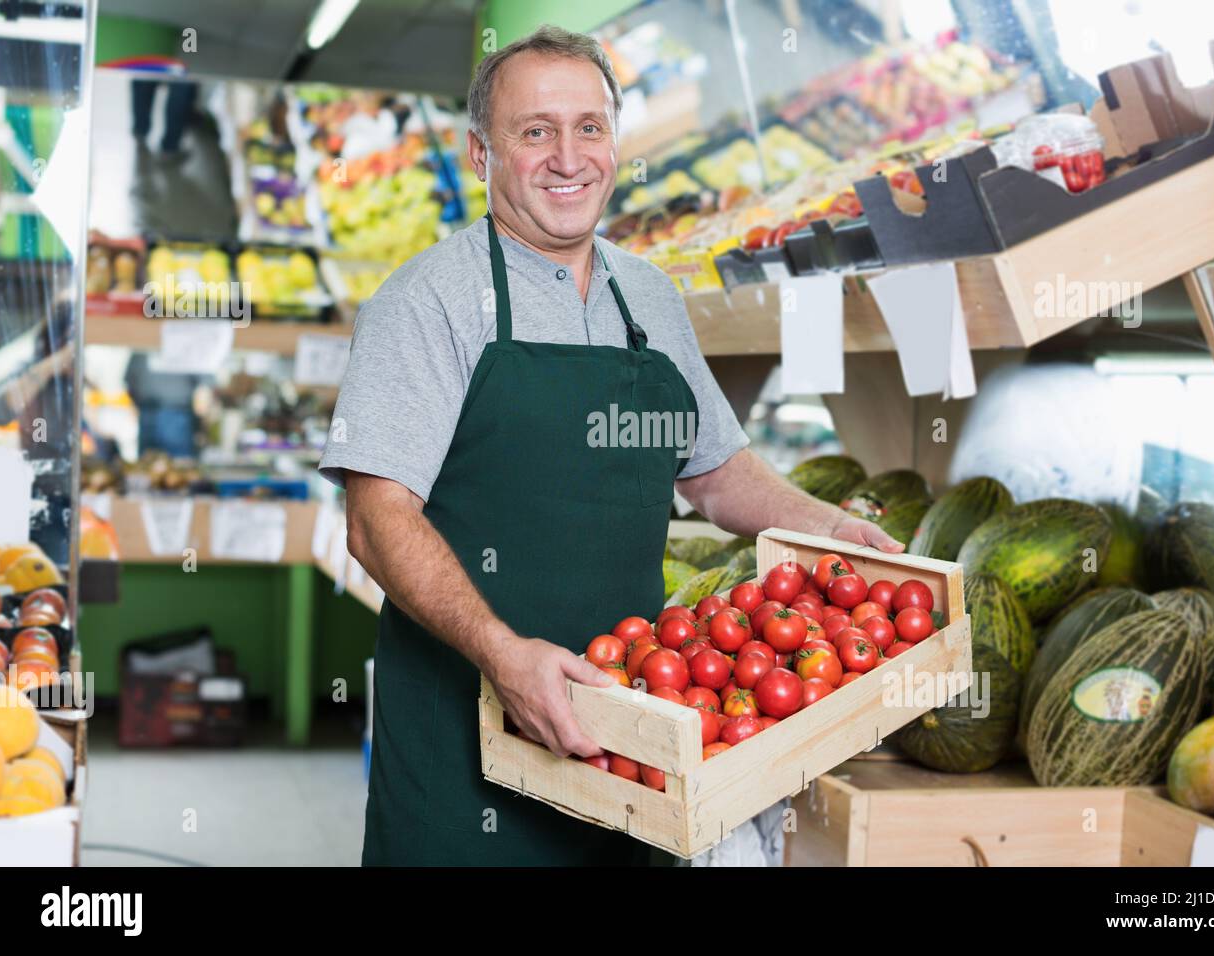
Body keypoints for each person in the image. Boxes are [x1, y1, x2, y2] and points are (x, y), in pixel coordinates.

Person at [317, 25, 901, 867]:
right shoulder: (425, 303)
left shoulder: (652, 300)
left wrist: (830, 530)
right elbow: (376, 521)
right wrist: (503, 656)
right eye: (536, 131)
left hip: (633, 740)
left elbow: (717, 473)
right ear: (481, 156)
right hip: (463, 750)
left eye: (589, 127)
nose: (568, 156)